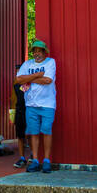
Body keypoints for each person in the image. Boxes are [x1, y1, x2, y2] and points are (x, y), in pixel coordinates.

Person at [15, 39, 58, 173]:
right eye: (35, 51)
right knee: (33, 132)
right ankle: (35, 160)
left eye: (40, 51)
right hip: (30, 104)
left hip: (47, 104)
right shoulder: (27, 64)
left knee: (46, 131)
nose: (37, 54)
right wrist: (37, 75)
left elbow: (47, 80)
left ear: (45, 53)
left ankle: (46, 160)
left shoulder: (50, 62)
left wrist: (29, 78)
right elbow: (18, 80)